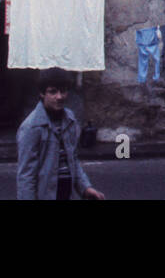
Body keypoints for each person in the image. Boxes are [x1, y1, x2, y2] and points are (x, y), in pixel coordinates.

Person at [16, 68, 105, 201]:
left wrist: (85, 188)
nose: (59, 97)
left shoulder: (69, 119)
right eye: (53, 92)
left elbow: (72, 160)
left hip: (66, 192)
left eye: (63, 91)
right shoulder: (31, 127)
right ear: (42, 93)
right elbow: (26, 176)